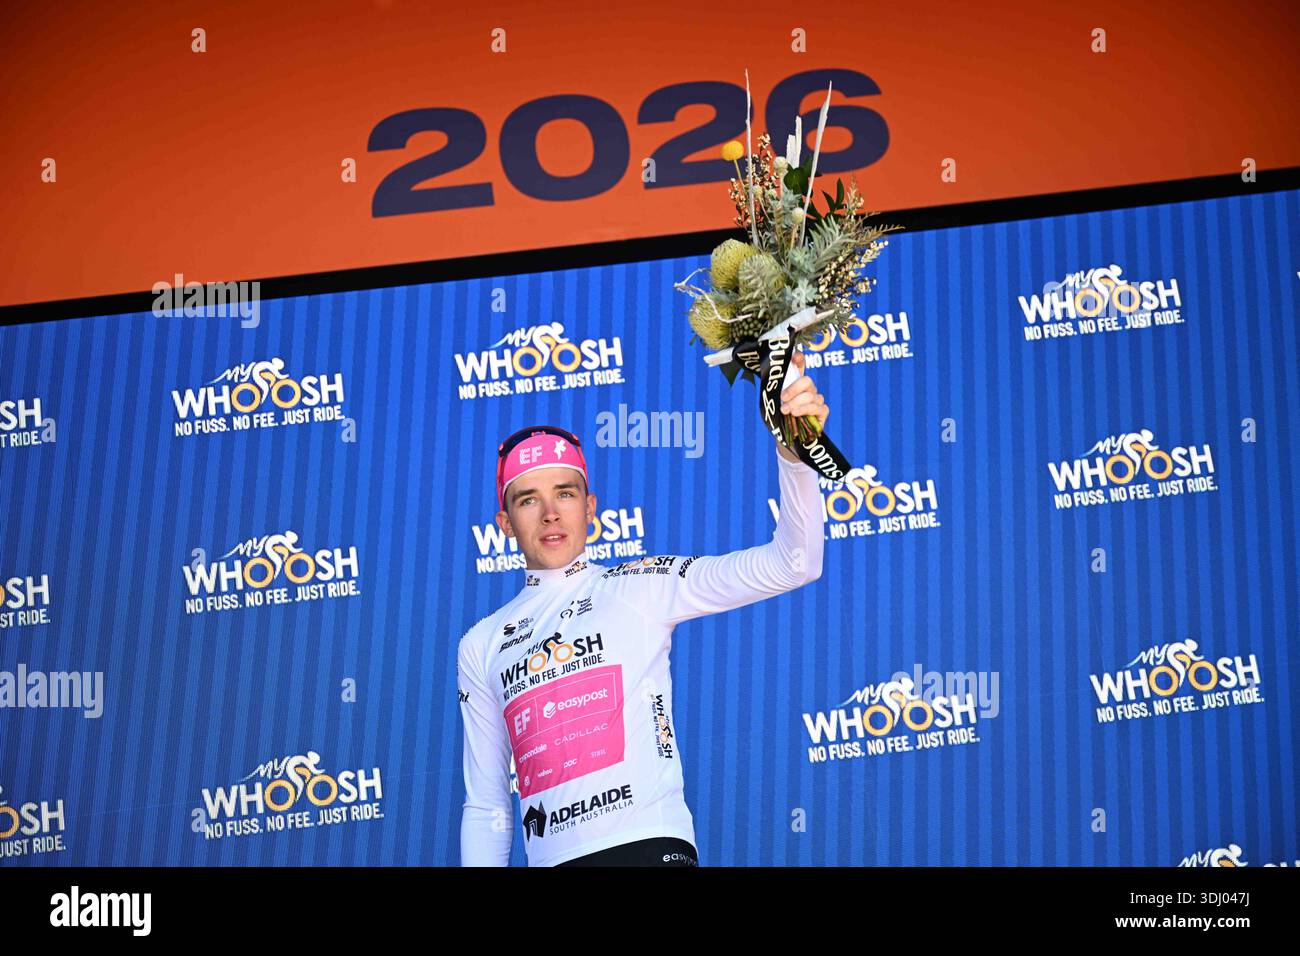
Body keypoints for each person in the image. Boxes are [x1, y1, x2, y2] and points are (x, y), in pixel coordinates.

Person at [456, 349, 830, 866]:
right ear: (505, 523)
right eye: (527, 500)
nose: (549, 513)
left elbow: (794, 563)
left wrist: (795, 455)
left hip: (652, 849)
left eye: (565, 493)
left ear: (590, 508)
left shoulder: (639, 586)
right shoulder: (481, 644)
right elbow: (487, 804)